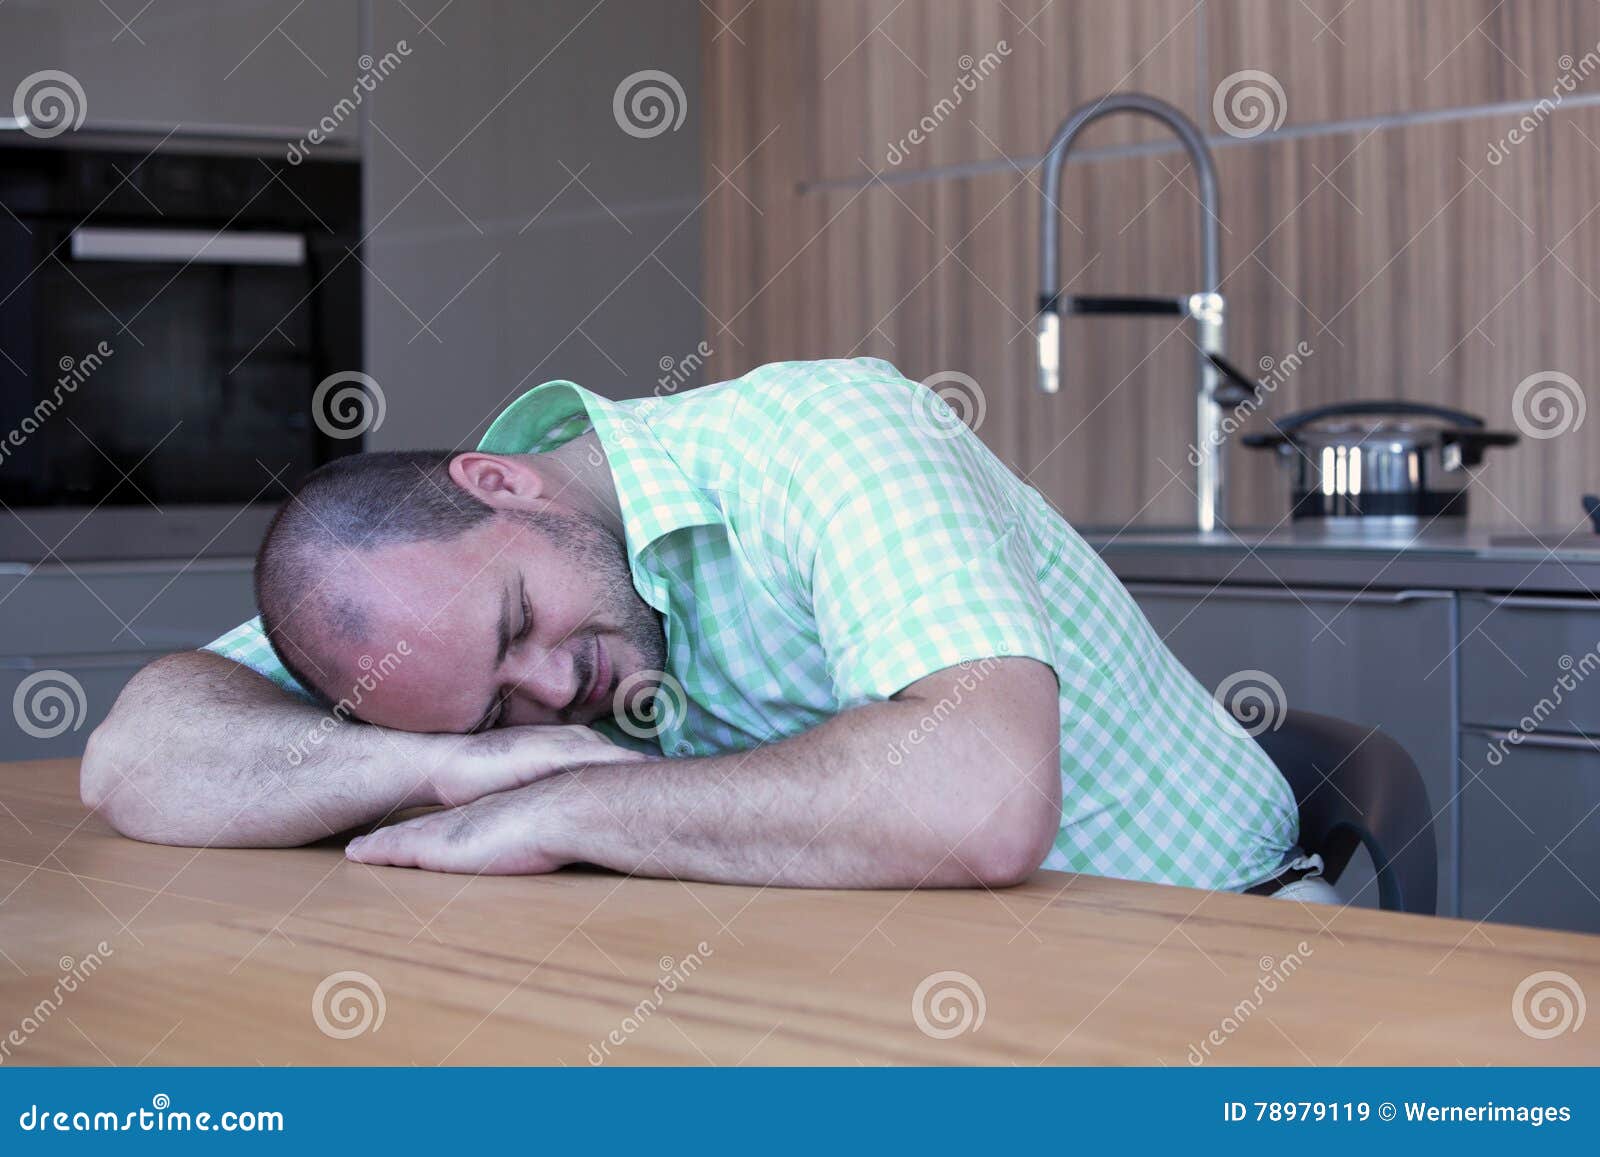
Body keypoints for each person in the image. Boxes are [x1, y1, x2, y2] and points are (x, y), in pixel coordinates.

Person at [82, 357, 1331, 899]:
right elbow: (134, 756)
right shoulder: (410, 609)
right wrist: (438, 762)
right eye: (495, 706)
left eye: (519, 623)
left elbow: (979, 798)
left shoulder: (825, 435)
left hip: (1212, 960)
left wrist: (571, 804)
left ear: (504, 480)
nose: (550, 686)